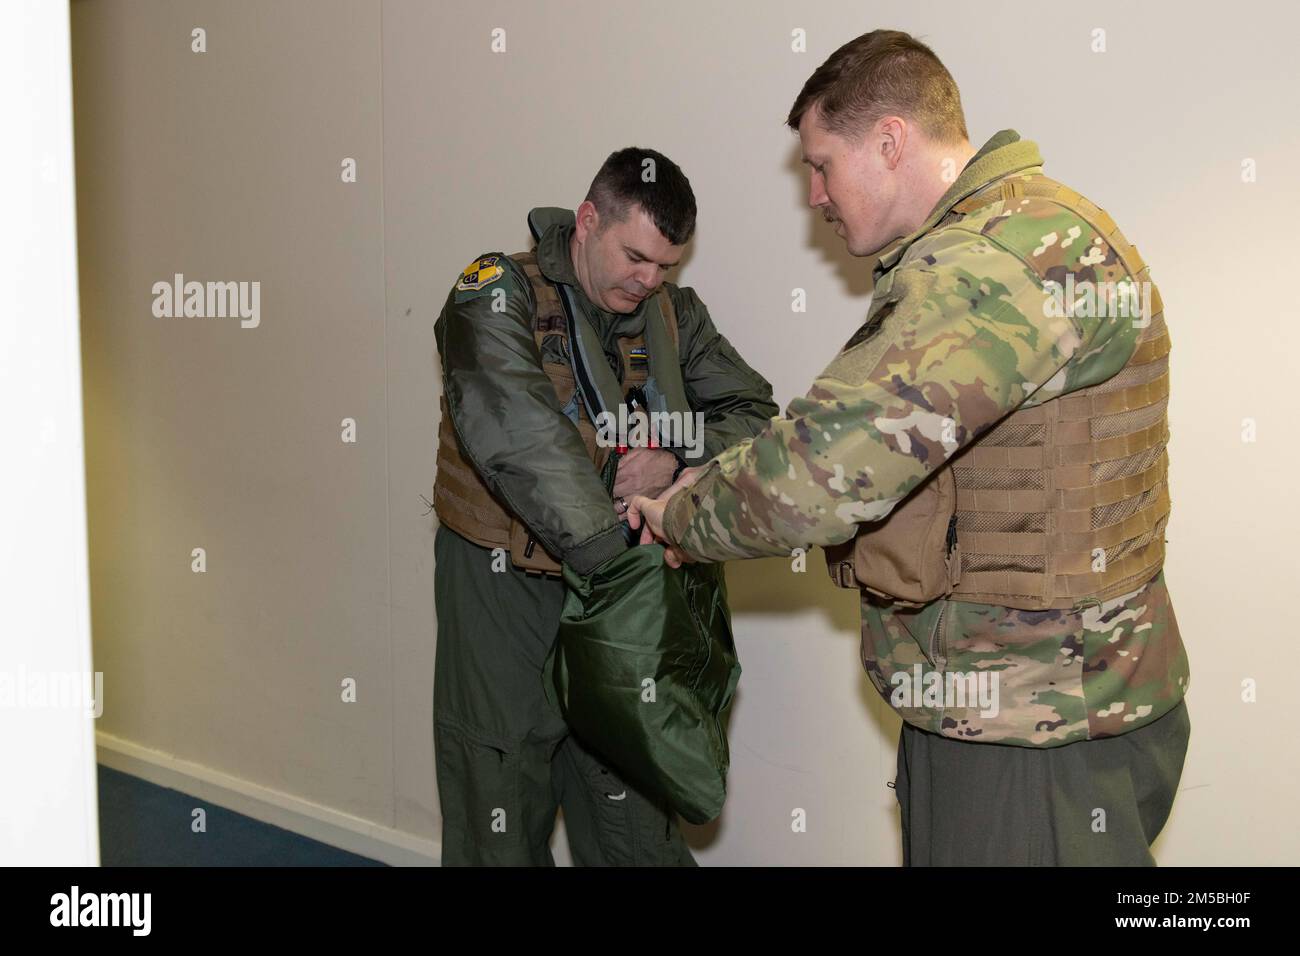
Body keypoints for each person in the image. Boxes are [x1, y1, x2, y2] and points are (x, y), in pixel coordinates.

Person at [629, 31, 1191, 866]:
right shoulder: (1047, 226)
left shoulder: (982, 267)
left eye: (821, 164)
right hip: (1079, 701)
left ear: (890, 141)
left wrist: (683, 517)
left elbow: (818, 476)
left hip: (1021, 729)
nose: (814, 195)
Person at [432, 147, 778, 866]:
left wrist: (677, 454)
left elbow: (755, 414)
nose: (649, 280)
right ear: (588, 220)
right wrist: (620, 526)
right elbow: (519, 435)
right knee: (500, 801)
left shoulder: (674, 315)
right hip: (509, 593)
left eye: (667, 267)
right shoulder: (496, 291)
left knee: (632, 816)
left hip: (624, 597)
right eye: (636, 257)